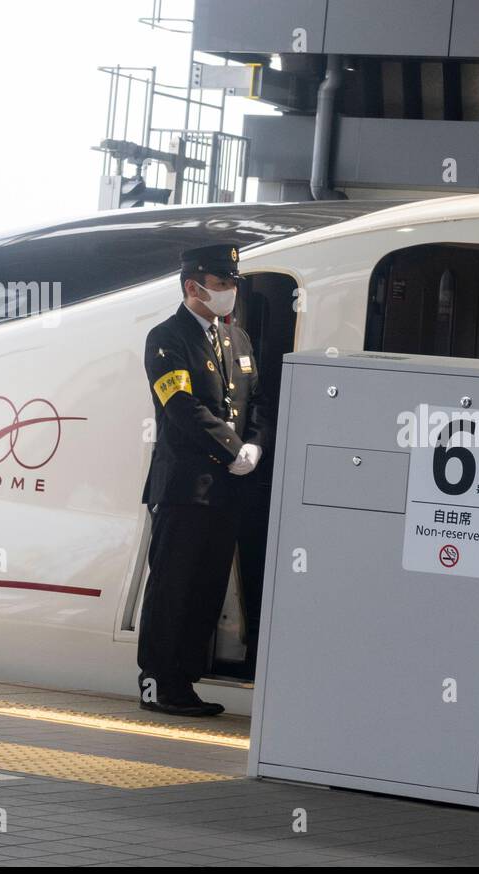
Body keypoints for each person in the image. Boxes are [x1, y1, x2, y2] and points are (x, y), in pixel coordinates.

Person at [137, 242, 270, 716]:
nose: (231, 290)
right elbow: (181, 408)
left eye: (233, 282)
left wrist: (254, 443)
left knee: (207, 589)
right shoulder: (166, 338)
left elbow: (256, 403)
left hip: (227, 492)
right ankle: (158, 681)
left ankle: (185, 681)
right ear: (193, 287)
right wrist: (233, 449)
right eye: (221, 283)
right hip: (185, 490)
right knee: (173, 586)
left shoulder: (238, 341)